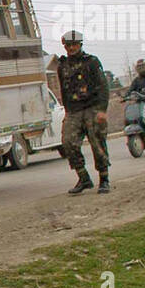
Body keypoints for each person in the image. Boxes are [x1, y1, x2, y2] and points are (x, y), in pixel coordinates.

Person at [55, 30, 111, 194]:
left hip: (92, 108)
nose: (71, 48)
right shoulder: (62, 66)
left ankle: (104, 178)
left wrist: (101, 110)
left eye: (74, 45)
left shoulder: (91, 62)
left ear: (80, 45)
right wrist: (67, 111)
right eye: (68, 45)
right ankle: (83, 177)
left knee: (98, 143)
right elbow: (64, 91)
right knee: (68, 143)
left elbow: (103, 87)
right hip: (74, 110)